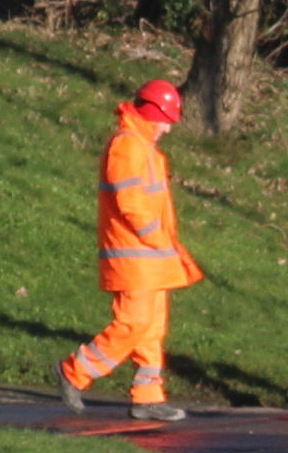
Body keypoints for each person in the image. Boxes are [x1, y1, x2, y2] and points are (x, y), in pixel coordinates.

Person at [61, 78, 202, 420]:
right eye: (166, 120)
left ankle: (148, 397)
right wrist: (156, 236)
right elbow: (132, 202)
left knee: (151, 328)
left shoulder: (141, 147)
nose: (168, 128)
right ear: (152, 114)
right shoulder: (127, 146)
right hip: (136, 255)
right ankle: (74, 372)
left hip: (150, 256)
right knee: (134, 324)